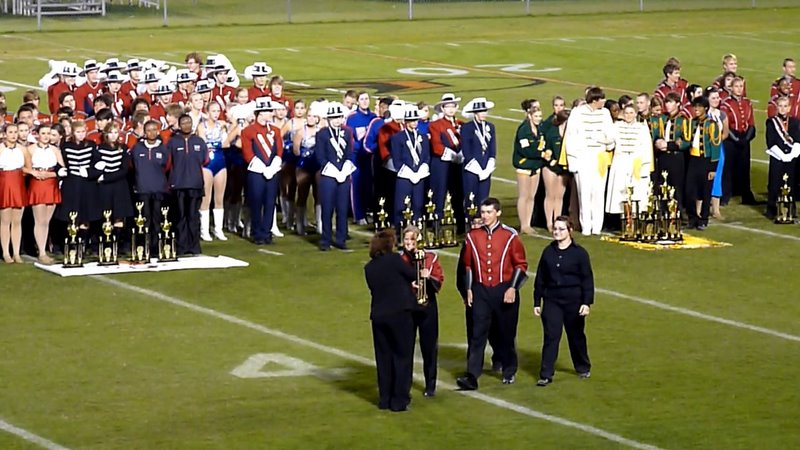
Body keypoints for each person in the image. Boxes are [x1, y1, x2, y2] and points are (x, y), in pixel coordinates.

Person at [456, 197, 527, 390]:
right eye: (483, 212)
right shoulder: (472, 236)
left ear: (498, 213)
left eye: (489, 212)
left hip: (504, 288)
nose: (485, 216)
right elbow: (468, 265)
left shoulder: (510, 236)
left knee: (506, 333)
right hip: (480, 290)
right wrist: (469, 289)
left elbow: (521, 264)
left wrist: (512, 288)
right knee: (477, 334)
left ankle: (509, 369)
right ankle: (472, 375)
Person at [533, 215, 594, 387]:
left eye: (561, 229)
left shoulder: (580, 253)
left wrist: (586, 303)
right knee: (551, 336)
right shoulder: (548, 252)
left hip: (573, 301)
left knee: (576, 336)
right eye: (555, 229)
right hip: (552, 300)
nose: (557, 232)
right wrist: (537, 302)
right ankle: (546, 374)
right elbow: (540, 278)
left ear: (570, 231)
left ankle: (582, 367)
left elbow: (587, 279)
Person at [363, 229, 416, 412]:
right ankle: (399, 400)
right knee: (402, 356)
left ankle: (384, 398)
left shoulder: (369, 268)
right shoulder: (394, 260)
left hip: (379, 316)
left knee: (383, 358)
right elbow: (412, 274)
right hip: (399, 314)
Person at [563, 87, 616, 236]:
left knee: (598, 192)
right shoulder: (577, 113)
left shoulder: (605, 113)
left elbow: (611, 136)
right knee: (584, 193)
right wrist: (573, 161)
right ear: (594, 100)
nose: (604, 101)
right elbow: (571, 137)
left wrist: (603, 141)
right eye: (602, 99)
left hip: (599, 156)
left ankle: (597, 226)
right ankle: (586, 226)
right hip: (583, 157)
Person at [399, 225, 444, 397]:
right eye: (406, 239)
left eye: (412, 239)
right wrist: (408, 284)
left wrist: (428, 277)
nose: (409, 242)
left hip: (428, 307)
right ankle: (405, 385)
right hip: (408, 308)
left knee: (429, 347)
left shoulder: (431, 258)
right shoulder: (399, 260)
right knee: (405, 348)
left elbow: (439, 282)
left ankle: (430, 385)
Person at [241, 98, 283, 245]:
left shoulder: (275, 131)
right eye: (268, 111)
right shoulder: (248, 131)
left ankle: (267, 232)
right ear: (260, 113)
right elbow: (247, 153)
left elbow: (279, 150)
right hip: (256, 172)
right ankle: (257, 233)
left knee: (270, 202)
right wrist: (263, 169)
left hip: (272, 171)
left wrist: (272, 167)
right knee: (256, 202)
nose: (271, 113)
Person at [168, 114, 209, 255]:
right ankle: (181, 246)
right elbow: (168, 162)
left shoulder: (199, 141)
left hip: (195, 184)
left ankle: (194, 246)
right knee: (180, 216)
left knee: (193, 216)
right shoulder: (173, 142)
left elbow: (205, 160)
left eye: (189, 122)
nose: (187, 125)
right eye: (184, 123)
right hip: (178, 184)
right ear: (179, 125)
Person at [316, 102, 355, 251]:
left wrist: (346, 167)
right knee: (327, 208)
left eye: (339, 117)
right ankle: (325, 239)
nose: (337, 120)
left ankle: (341, 238)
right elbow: (320, 156)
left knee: (342, 208)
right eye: (334, 117)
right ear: (328, 119)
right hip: (328, 175)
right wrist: (332, 169)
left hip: (343, 174)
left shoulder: (347, 132)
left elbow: (349, 153)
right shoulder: (322, 134)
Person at [24, 124, 64, 264]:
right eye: (43, 133)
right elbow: (22, 167)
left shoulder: (55, 150)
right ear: (38, 134)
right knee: (39, 220)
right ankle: (41, 251)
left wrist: (50, 174)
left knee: (46, 221)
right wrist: (33, 172)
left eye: (48, 133)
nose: (46, 136)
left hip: (51, 184)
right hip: (37, 184)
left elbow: (62, 169)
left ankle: (43, 249)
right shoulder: (30, 149)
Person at [605, 104, 653, 218]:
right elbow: (609, 144)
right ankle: (624, 218)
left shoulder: (642, 127)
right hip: (620, 162)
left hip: (636, 163)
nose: (629, 115)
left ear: (636, 114)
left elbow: (646, 148)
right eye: (626, 113)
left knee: (636, 191)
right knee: (621, 191)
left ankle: (636, 217)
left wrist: (644, 166)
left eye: (631, 113)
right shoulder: (616, 126)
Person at [131, 120, 170, 255]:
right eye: (148, 130)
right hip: (143, 189)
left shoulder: (163, 148)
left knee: (158, 219)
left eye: (154, 130)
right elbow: (133, 166)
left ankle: (157, 247)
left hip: (159, 189)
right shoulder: (137, 148)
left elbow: (167, 166)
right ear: (144, 132)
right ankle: (143, 247)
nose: (152, 133)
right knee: (144, 219)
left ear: (158, 131)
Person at [684, 96, 722, 230]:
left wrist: (713, 168)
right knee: (689, 190)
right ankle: (692, 217)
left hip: (706, 160)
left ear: (705, 108)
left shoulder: (711, 124)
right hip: (693, 160)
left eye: (699, 106)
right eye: (695, 106)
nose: (696, 109)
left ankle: (703, 219)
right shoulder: (692, 122)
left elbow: (715, 146)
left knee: (705, 191)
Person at [428, 93, 464, 227]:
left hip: (458, 165)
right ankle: (436, 223)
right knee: (439, 193)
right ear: (442, 109)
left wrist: (462, 153)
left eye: (453, 106)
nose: (450, 109)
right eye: (447, 106)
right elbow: (437, 146)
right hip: (441, 165)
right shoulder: (435, 125)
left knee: (458, 194)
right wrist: (453, 155)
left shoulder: (461, 124)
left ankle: (460, 224)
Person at [94, 122, 133, 242]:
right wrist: (100, 177)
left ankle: (117, 243)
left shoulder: (123, 148)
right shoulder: (99, 149)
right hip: (104, 188)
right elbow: (96, 167)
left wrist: (106, 177)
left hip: (119, 186)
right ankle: (106, 242)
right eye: (111, 132)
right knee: (105, 215)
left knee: (119, 216)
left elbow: (124, 170)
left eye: (116, 132)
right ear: (106, 134)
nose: (114, 135)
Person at [391, 104, 430, 222]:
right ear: (406, 121)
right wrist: (409, 173)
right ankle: (400, 229)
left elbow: (426, 156)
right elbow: (397, 159)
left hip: (419, 175)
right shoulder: (397, 138)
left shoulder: (423, 137)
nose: (414, 122)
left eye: (416, 120)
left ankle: (417, 227)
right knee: (402, 205)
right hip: (405, 176)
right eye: (412, 120)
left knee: (418, 204)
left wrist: (421, 170)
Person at [721, 76, 756, 205]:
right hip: (730, 139)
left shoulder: (748, 102)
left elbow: (751, 122)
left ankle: (746, 195)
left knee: (745, 167)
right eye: (736, 86)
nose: (739, 89)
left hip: (744, 136)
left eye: (741, 86)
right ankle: (726, 195)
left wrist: (746, 138)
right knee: (728, 167)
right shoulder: (726, 103)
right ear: (731, 88)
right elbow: (725, 124)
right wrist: (736, 139)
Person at [197, 101, 229, 241]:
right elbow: (203, 144)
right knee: (206, 198)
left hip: (220, 161)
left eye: (218, 111)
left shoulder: (221, 126)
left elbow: (226, 144)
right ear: (207, 112)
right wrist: (216, 143)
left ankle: (218, 229)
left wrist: (230, 127)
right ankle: (204, 230)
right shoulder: (201, 126)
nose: (216, 114)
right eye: (213, 111)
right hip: (207, 163)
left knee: (219, 198)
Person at [512, 100, 545, 235]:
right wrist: (541, 154)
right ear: (530, 116)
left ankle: (528, 223)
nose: (538, 119)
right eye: (536, 116)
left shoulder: (540, 128)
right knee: (524, 196)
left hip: (536, 166)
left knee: (531, 196)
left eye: (540, 116)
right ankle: (523, 224)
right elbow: (526, 150)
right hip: (524, 165)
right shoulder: (523, 130)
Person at [461, 97, 497, 217]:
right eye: (481, 111)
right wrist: (477, 169)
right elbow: (466, 150)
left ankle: (482, 221)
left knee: (483, 199)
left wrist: (489, 166)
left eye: (485, 111)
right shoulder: (467, 128)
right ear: (475, 113)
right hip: (472, 169)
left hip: (486, 168)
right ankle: (470, 222)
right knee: (471, 198)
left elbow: (492, 148)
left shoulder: (490, 127)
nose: (484, 113)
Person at [765, 96, 800, 220]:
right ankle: (772, 210)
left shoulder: (795, 122)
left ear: (789, 108)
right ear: (777, 107)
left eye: (785, 106)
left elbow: (797, 139)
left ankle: (790, 210)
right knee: (775, 183)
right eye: (780, 106)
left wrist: (791, 155)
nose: (783, 108)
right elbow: (771, 142)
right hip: (777, 157)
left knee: (790, 184)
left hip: (791, 158)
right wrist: (782, 156)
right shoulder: (771, 122)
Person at [293, 100, 323, 236]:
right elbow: (295, 150)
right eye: (309, 116)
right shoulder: (300, 132)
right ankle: (300, 224)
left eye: (314, 116)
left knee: (319, 194)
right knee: (302, 194)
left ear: (318, 118)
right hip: (303, 165)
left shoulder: (321, 131)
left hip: (317, 166)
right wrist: (305, 154)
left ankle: (320, 224)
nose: (311, 118)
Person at [0, 124, 27, 263]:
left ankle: (16, 252)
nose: (13, 135)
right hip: (4, 183)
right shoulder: (1, 148)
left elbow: (27, 167)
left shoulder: (22, 149)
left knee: (17, 221)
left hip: (18, 183)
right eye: (10, 132)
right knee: (5, 221)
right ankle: (5, 252)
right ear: (5, 134)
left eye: (15, 132)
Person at [542, 109, 570, 231]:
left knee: (559, 196)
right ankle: (549, 222)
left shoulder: (571, 134)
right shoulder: (552, 133)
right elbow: (545, 150)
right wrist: (551, 161)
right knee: (550, 194)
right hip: (551, 166)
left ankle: (557, 221)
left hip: (564, 168)